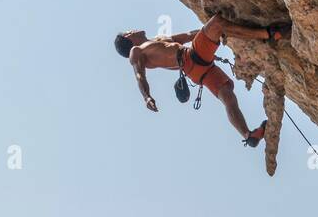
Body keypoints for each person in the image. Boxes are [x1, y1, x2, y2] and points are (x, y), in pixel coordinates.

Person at [114, 13, 290, 146]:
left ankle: (248, 135)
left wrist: (208, 32)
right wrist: (147, 96)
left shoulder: (157, 40)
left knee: (227, 97)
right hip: (192, 57)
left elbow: (189, 35)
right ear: (128, 36)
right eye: (130, 31)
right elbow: (139, 74)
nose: (134, 29)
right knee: (218, 22)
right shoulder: (136, 51)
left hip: (196, 71)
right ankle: (268, 34)